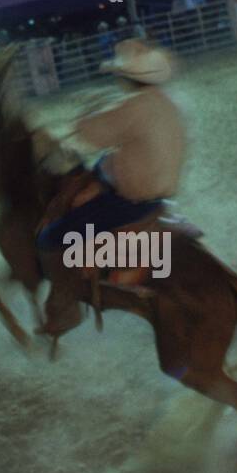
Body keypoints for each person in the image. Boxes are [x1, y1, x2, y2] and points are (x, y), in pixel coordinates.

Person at [36, 39, 187, 336]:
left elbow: (93, 134)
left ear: (127, 78)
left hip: (130, 202)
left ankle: (67, 311)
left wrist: (84, 117)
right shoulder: (167, 103)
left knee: (50, 237)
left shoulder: (132, 106)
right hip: (161, 197)